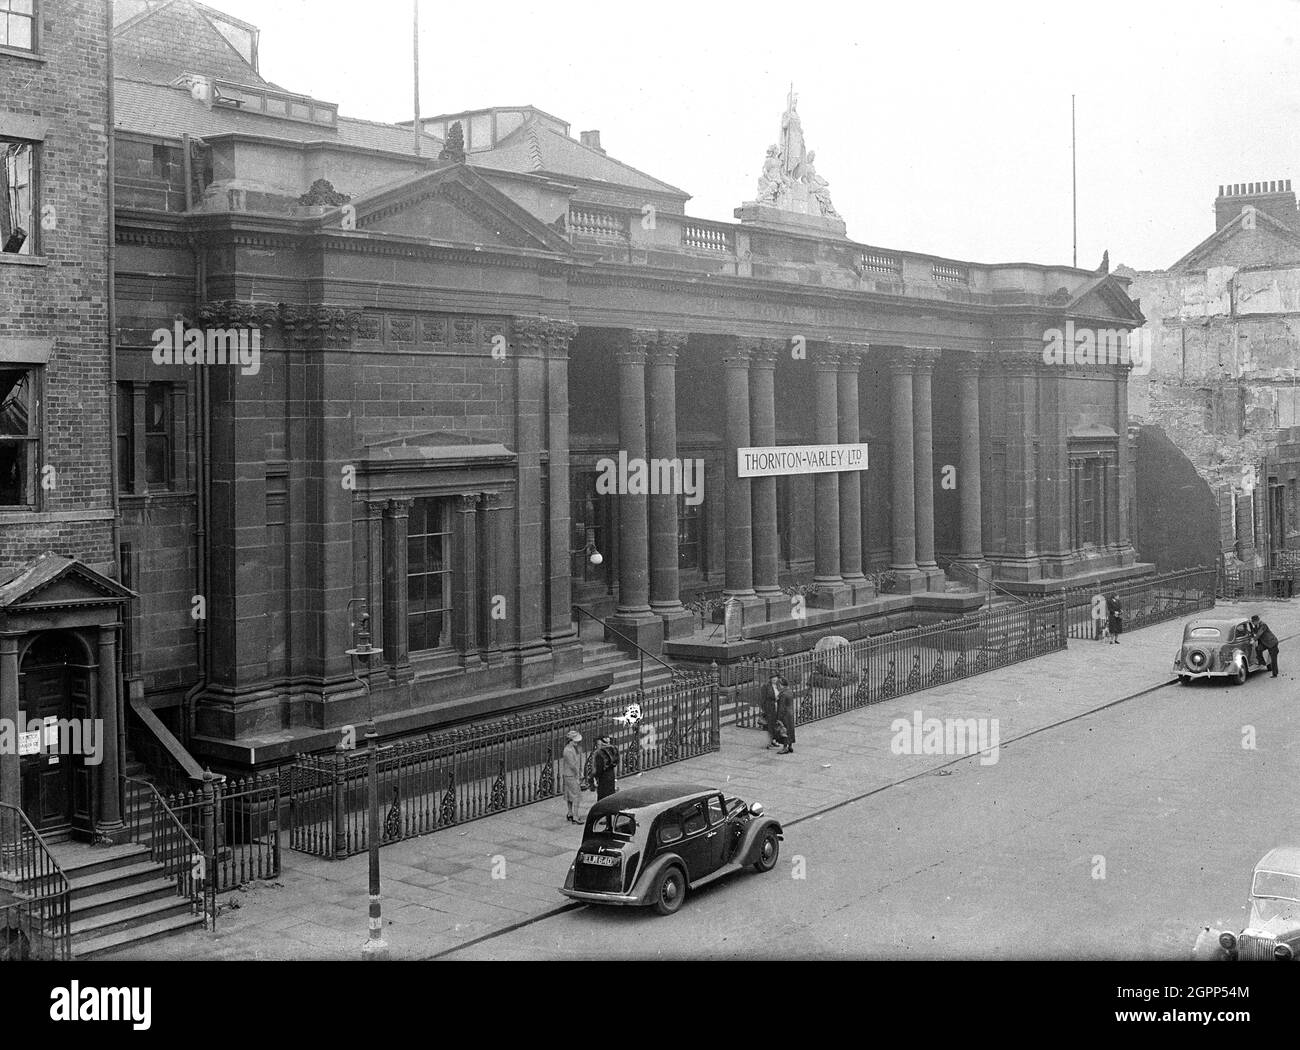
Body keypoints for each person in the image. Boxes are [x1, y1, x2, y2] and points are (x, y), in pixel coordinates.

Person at [560, 729, 584, 823]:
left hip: (568, 775)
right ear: (570, 741)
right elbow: (572, 765)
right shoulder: (568, 751)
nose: (577, 743)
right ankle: (575, 816)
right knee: (576, 796)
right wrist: (579, 775)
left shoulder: (570, 748)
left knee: (570, 795)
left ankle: (570, 813)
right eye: (575, 741)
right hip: (571, 775)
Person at [758, 673, 784, 749]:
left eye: (775, 678)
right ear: (770, 679)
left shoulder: (778, 686)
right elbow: (763, 699)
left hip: (777, 707)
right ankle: (768, 743)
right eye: (773, 678)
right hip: (769, 708)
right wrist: (764, 709)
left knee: (775, 725)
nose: (774, 680)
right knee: (769, 726)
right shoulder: (766, 686)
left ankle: (773, 741)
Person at [592, 731, 619, 799]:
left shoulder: (598, 752)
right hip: (611, 773)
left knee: (602, 795)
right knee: (610, 793)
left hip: (603, 776)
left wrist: (595, 778)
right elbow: (616, 762)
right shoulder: (614, 748)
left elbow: (598, 768)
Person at [775, 679, 797, 755]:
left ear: (781, 685)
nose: (777, 688)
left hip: (784, 714)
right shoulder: (789, 691)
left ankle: (785, 747)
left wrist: (778, 718)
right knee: (790, 729)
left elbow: (781, 707)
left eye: (778, 686)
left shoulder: (783, 694)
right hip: (790, 713)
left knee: (784, 730)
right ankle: (790, 746)